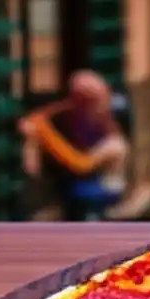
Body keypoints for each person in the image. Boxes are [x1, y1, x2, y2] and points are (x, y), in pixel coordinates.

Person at [19, 70, 129, 220]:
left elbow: (81, 164)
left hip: (100, 208)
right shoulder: (84, 121)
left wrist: (44, 131)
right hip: (76, 201)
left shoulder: (114, 143)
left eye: (88, 103)